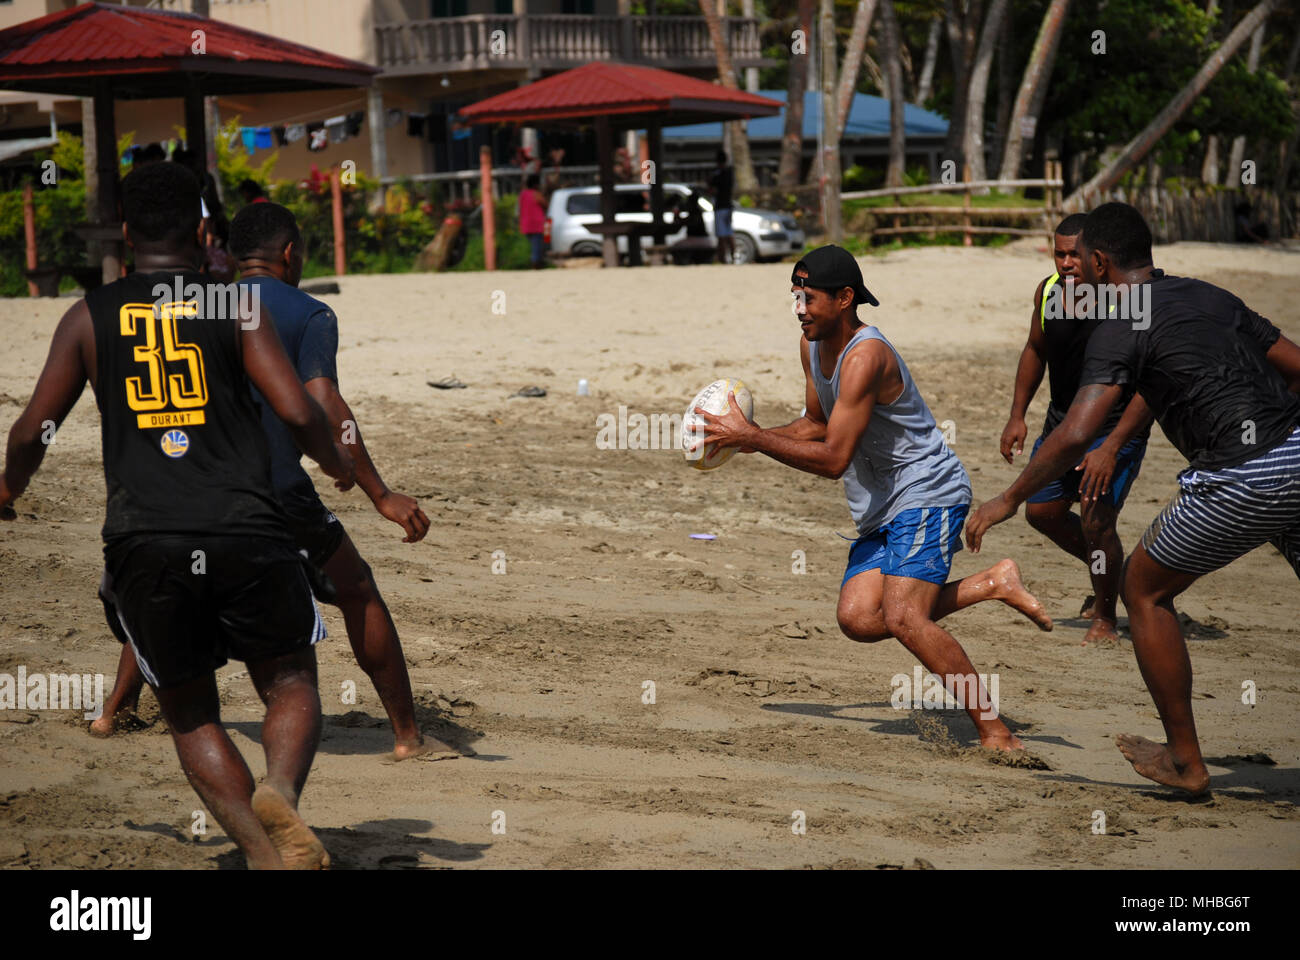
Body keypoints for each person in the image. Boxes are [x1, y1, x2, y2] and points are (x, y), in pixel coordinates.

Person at [0, 163, 356, 868]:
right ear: (203, 233)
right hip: (248, 528)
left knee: (190, 712)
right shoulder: (236, 308)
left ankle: (259, 853)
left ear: (127, 234)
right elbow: (294, 408)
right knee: (289, 681)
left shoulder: (88, 316)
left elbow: (32, 428)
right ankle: (280, 788)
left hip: (146, 539)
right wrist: (335, 461)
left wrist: (9, 487)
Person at [967, 202, 1300, 794]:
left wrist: (1008, 499)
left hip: (1240, 473)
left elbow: (1074, 432)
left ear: (1099, 261)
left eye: (1080, 258)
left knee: (1143, 588)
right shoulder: (1208, 294)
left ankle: (1185, 762)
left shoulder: (1119, 324)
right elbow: (1295, 366)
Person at [696, 245, 1053, 752]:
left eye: (810, 298)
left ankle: (995, 731)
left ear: (845, 299)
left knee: (906, 617)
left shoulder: (866, 356)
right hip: (881, 505)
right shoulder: (812, 345)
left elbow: (834, 459)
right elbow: (816, 425)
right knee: (860, 620)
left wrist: (752, 438)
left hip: (929, 490)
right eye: (795, 296)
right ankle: (993, 582)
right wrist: (745, 437)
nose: (799, 308)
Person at [999, 213, 1153, 642]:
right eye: (1059, 253)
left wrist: (1116, 442)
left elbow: (1152, 376)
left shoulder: (1123, 299)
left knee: (1096, 520)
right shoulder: (1048, 293)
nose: (1066, 263)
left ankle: (1105, 616)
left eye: (1075, 255)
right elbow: (1035, 349)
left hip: (1113, 429)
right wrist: (1017, 415)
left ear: (1096, 257)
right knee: (1042, 512)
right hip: (1062, 422)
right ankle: (1117, 575)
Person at [709, 149, 735, 264]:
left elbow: (712, 189)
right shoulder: (729, 173)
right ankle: (734, 256)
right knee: (729, 233)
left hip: (720, 207)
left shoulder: (718, 174)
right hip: (728, 206)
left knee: (722, 235)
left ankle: (722, 258)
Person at [519, 174, 547, 269]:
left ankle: (535, 262)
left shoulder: (523, 194)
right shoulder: (536, 193)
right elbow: (544, 204)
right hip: (537, 224)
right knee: (537, 245)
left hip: (526, 223)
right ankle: (536, 263)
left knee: (533, 245)